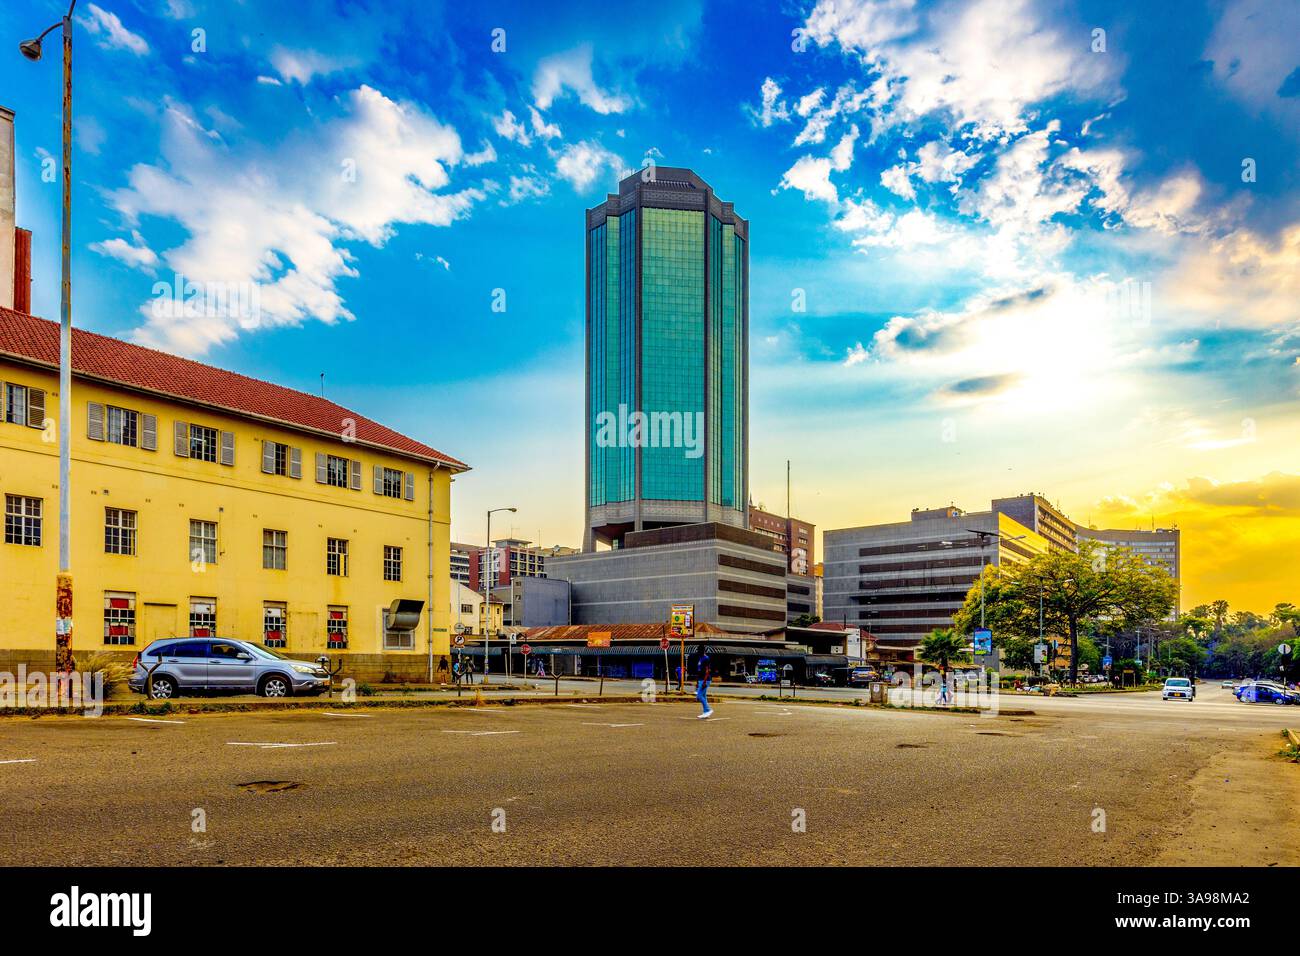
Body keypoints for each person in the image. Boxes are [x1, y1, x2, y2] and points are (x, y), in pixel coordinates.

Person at [695, 645, 714, 719]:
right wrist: (697, 682)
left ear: (703, 651)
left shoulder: (706, 658)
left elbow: (707, 671)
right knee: (704, 696)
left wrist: (704, 682)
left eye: (699, 651)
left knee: (699, 696)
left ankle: (708, 710)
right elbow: (699, 671)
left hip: (705, 680)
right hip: (700, 679)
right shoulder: (700, 658)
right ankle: (705, 712)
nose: (698, 652)